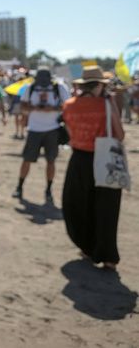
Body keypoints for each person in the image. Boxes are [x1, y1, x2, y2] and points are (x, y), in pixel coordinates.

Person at [62, 66, 125, 270]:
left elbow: (70, 133)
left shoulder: (69, 105)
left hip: (79, 159)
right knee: (107, 208)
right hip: (104, 157)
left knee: (79, 205)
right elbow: (119, 134)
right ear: (99, 85)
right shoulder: (106, 104)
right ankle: (108, 257)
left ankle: (87, 247)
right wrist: (111, 104)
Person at [12, 67, 70, 202]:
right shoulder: (31, 88)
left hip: (53, 129)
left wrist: (53, 109)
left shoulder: (59, 88)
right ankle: (19, 186)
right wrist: (35, 107)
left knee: (51, 161)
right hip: (34, 129)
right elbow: (23, 107)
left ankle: (48, 189)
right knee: (27, 159)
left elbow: (68, 106)